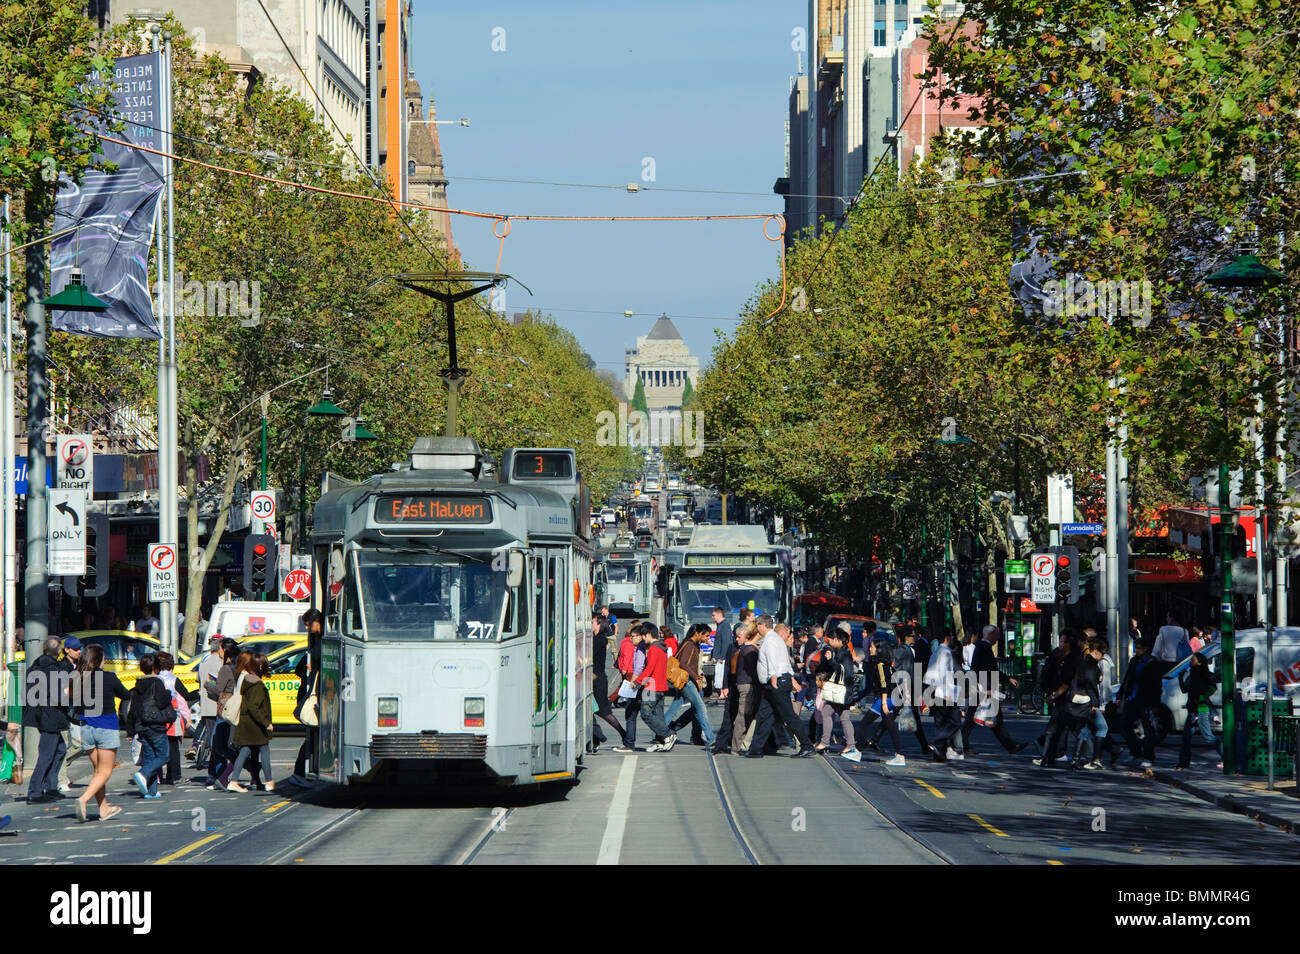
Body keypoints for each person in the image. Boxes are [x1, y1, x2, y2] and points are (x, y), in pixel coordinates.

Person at [72, 645, 130, 822]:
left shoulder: (77, 678)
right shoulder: (109, 677)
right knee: (105, 771)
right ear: (99, 661)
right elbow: (126, 695)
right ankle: (83, 799)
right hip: (106, 726)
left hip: (86, 728)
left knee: (97, 771)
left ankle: (103, 809)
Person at [744, 615, 814, 758]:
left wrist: (774, 678)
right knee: (765, 716)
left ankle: (806, 745)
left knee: (788, 715)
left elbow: (773, 661)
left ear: (763, 625)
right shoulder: (776, 639)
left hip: (776, 683)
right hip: (777, 682)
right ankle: (755, 749)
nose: (757, 629)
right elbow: (785, 663)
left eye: (758, 626)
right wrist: (791, 678)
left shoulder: (770, 641)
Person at [961, 626, 1029, 757]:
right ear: (990, 634)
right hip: (983, 687)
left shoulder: (981, 647)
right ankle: (960, 744)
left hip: (982, 686)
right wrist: (1006, 679)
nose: (998, 640)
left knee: (991, 718)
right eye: (997, 636)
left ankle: (1010, 746)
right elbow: (988, 669)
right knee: (973, 719)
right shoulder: (983, 647)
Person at [24, 636, 72, 804]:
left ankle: (51, 787)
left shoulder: (35, 666)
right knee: (46, 755)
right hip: (51, 716)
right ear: (59, 651)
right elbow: (60, 696)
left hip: (39, 714)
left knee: (60, 749)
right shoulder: (54, 670)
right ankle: (35, 792)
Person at [129, 653, 177, 800]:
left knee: (150, 757)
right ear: (156, 667)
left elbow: (133, 709)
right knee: (163, 755)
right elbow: (162, 702)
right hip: (155, 725)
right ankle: (143, 774)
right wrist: (168, 694)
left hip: (141, 726)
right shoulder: (157, 683)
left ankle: (151, 791)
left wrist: (130, 730)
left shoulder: (138, 684)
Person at [226, 653, 275, 792]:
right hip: (255, 724)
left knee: (246, 750)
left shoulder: (245, 679)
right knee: (264, 750)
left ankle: (236, 780)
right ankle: (269, 781)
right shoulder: (256, 683)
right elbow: (255, 706)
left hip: (245, 721)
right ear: (260, 666)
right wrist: (266, 723)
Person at [857, 636, 907, 765]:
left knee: (864, 723)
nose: (870, 648)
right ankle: (900, 755)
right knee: (890, 727)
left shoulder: (880, 665)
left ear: (878, 650)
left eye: (872, 647)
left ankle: (857, 750)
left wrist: (884, 702)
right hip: (893, 698)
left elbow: (884, 684)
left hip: (886, 698)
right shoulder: (887, 663)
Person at [664, 623, 716, 747]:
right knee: (700, 708)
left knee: (674, 708)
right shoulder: (689, 645)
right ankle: (710, 738)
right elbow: (683, 664)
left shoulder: (693, 644)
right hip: (687, 682)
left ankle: (661, 731)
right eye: (706, 636)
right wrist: (696, 677)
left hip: (685, 681)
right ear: (697, 633)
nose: (707, 638)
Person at [813, 623, 859, 760]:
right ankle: (833, 743)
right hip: (841, 692)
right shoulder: (842, 652)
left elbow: (843, 671)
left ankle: (836, 744)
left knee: (841, 717)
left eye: (832, 639)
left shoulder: (844, 653)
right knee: (832, 714)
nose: (830, 642)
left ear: (838, 640)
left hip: (843, 692)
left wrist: (830, 660)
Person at [289, 609, 325, 783]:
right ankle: (299, 772)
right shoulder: (317, 641)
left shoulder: (321, 640)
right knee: (312, 734)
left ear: (317, 621)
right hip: (314, 694)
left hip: (317, 692)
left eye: (308, 624)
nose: (306, 627)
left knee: (314, 734)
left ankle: (301, 772)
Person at [1118, 637, 1162, 768]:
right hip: (1133, 698)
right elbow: (1128, 678)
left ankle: (1149, 756)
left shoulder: (1152, 663)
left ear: (1145, 649)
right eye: (1135, 648)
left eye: (1138, 648)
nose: (1136, 650)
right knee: (1124, 725)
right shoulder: (1134, 661)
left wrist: (1155, 704)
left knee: (1148, 729)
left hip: (1146, 700)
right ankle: (1135, 751)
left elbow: (1156, 685)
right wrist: (1121, 694)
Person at [589, 614, 628, 752]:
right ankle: (595, 739)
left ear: (599, 624)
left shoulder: (599, 639)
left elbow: (590, 657)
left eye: (593, 622)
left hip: (597, 679)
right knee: (591, 710)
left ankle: (623, 734)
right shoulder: (594, 638)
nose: (591, 623)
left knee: (602, 711)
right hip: (594, 678)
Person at [1176, 652, 1222, 769]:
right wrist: (1180, 678)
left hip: (1202, 709)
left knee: (1208, 737)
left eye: (1193, 659)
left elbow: (1213, 689)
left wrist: (1201, 697)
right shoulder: (1191, 675)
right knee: (1186, 737)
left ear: (1200, 662)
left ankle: (1227, 757)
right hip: (1192, 709)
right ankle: (1183, 762)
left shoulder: (1207, 675)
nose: (1191, 661)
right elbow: (1184, 690)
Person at [924, 629, 964, 762]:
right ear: (947, 638)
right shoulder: (948, 653)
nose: (952, 639)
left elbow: (929, 675)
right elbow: (948, 674)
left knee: (940, 723)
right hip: (946, 693)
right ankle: (937, 741)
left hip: (935, 692)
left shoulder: (935, 653)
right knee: (955, 722)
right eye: (951, 637)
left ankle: (939, 754)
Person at [206, 638, 241, 788]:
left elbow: (218, 688)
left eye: (220, 649)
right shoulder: (236, 666)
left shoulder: (225, 668)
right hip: (233, 709)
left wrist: (208, 683)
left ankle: (223, 775)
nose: (218, 652)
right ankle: (223, 775)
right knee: (226, 744)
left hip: (224, 709)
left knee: (218, 745)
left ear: (225, 651)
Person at [633, 628, 674, 752]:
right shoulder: (662, 647)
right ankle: (660, 741)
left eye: (644, 636)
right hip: (661, 685)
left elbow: (649, 669)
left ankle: (668, 735)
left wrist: (637, 681)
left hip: (652, 686)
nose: (643, 639)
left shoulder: (653, 649)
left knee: (646, 713)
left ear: (649, 634)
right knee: (658, 714)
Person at [189, 634, 225, 769]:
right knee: (214, 736)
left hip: (204, 701)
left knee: (204, 724)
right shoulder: (219, 662)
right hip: (214, 703)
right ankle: (214, 767)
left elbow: (198, 679)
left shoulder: (203, 659)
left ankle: (195, 745)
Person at [55, 637, 85, 794]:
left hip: (77, 712)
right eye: (75, 649)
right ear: (67, 650)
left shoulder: (80, 665)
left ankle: (59, 766)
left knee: (82, 744)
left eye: (79, 648)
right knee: (65, 745)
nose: (78, 651)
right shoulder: (62, 667)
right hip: (65, 712)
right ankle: (61, 780)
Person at [612, 624, 647, 753]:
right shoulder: (641, 647)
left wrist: (632, 681)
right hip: (637, 680)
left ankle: (629, 743)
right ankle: (629, 742)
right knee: (635, 713)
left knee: (634, 713)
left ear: (639, 636)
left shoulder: (640, 648)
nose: (630, 639)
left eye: (633, 637)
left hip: (635, 680)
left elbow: (638, 668)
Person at [1152, 611, 1190, 676]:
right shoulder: (1184, 631)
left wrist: (1158, 659)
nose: (1166, 619)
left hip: (1166, 663)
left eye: (1167, 617)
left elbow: (1156, 649)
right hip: (1180, 663)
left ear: (1171, 618)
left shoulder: (1163, 629)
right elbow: (1187, 648)